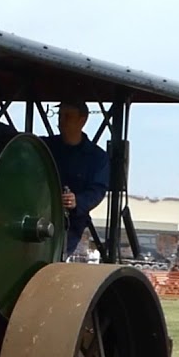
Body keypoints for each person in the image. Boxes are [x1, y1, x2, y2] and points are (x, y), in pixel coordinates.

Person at [39, 99, 110, 256]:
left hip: (70, 224)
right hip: (38, 216)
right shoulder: (44, 146)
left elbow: (97, 190)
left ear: (82, 120)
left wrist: (77, 201)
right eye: (60, 115)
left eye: (68, 116)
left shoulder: (97, 157)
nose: (61, 120)